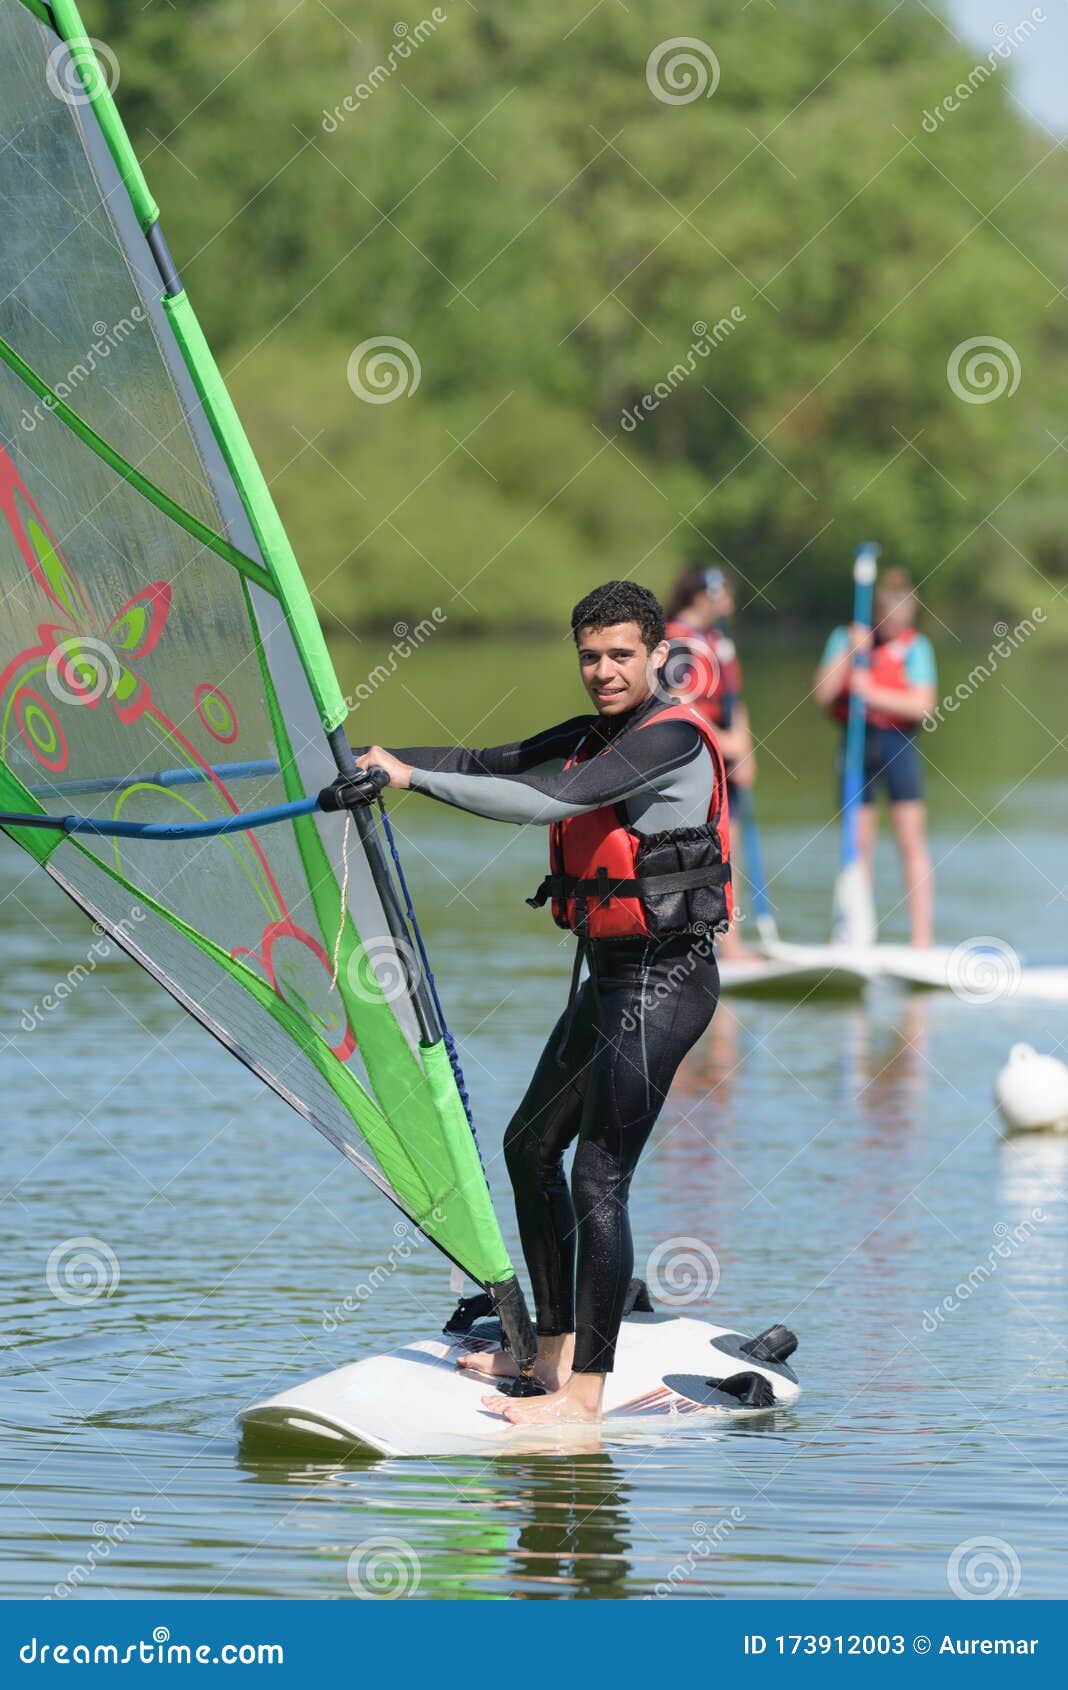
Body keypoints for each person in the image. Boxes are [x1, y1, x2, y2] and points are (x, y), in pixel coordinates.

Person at [354, 581, 731, 1425]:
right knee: (530, 1147)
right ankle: (553, 1348)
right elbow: (498, 762)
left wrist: (412, 781)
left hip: (666, 980)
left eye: (620, 655)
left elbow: (548, 801)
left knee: (599, 1175)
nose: (602, 671)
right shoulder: (595, 733)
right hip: (609, 978)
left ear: (657, 655)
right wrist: (382, 763)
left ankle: (585, 1400)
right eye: (590, 656)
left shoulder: (668, 735)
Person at [813, 568, 937, 948]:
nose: (898, 624)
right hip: (856, 746)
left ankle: (921, 939)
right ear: (880, 611)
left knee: (910, 841)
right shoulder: (848, 637)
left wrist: (872, 692)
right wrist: (852, 654)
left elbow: (922, 705)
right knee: (857, 844)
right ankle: (855, 934)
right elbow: (823, 693)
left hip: (897, 745)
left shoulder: (916, 647)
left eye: (904, 618)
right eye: (892, 617)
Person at [664, 564, 755, 959]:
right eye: (725, 595)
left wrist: (745, 748)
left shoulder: (717, 640)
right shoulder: (679, 639)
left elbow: (736, 699)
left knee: (727, 848)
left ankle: (732, 941)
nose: (731, 603)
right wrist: (726, 743)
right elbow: (679, 703)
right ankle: (726, 947)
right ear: (703, 596)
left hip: (723, 755)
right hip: (693, 753)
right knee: (708, 851)